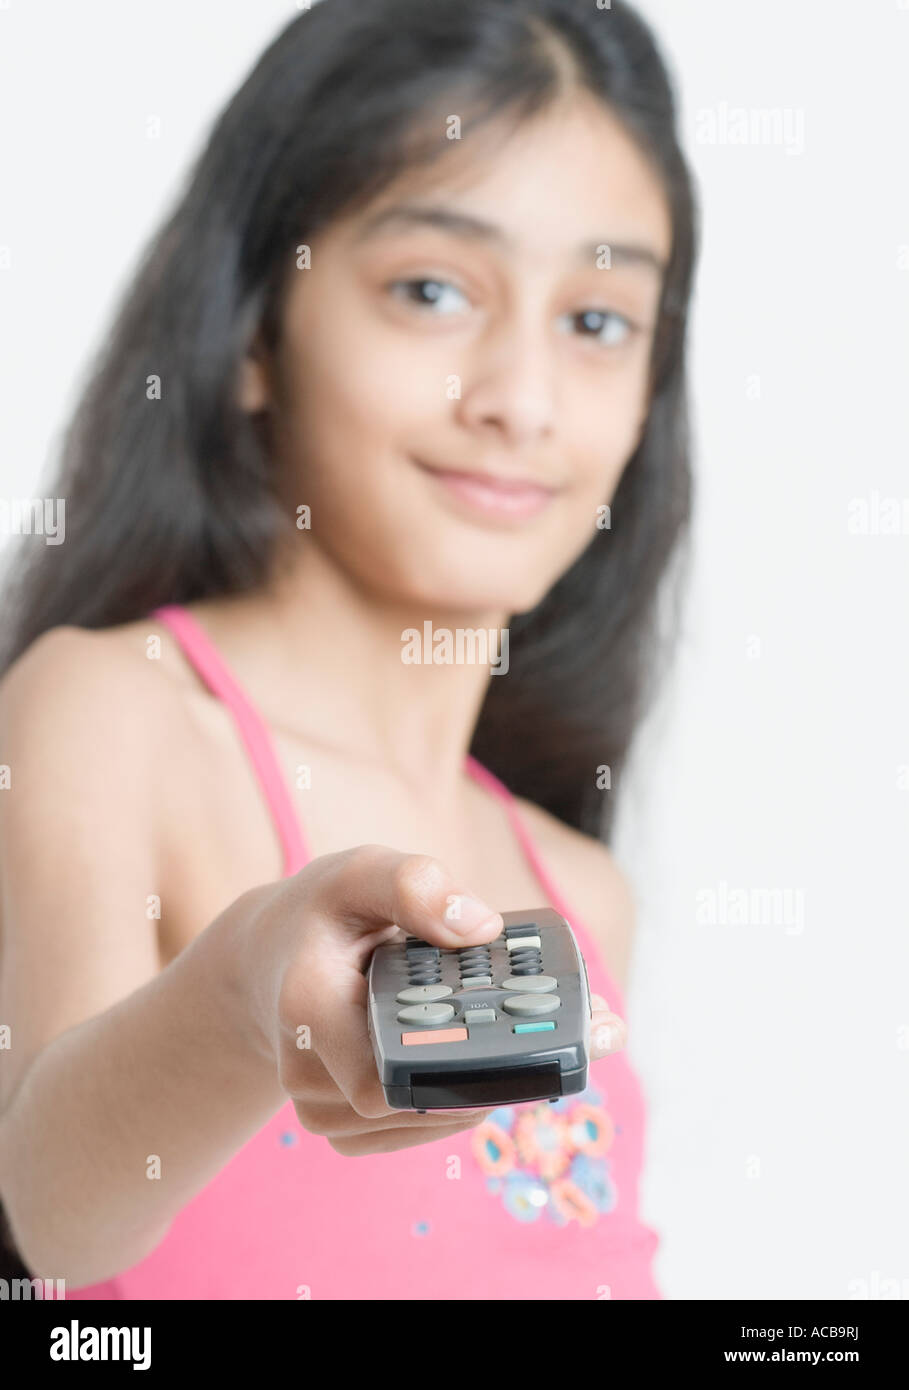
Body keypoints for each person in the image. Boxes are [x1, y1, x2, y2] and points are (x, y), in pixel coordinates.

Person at [0, 0, 697, 1299]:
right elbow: (56, 1217)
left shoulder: (582, 893)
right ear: (257, 329)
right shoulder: (121, 714)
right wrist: (243, 990)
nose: (520, 398)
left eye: (597, 319)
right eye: (431, 290)